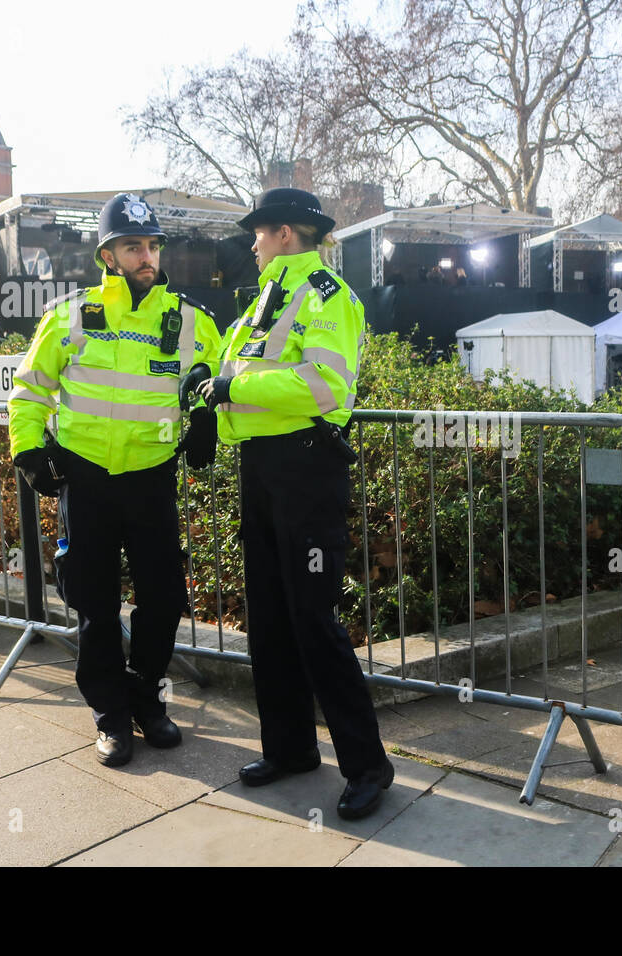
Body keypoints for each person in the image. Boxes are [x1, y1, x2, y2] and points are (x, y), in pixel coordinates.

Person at [186, 187, 394, 821]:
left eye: (258, 233)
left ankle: (368, 766)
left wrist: (229, 387)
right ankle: (290, 748)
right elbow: (241, 373)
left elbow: (324, 385)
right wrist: (209, 398)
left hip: (306, 469)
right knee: (270, 617)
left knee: (313, 620)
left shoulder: (327, 295)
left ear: (283, 234)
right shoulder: (265, 298)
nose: (251, 244)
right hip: (263, 469)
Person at [8, 193, 221, 768]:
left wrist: (208, 418)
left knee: (163, 598)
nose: (146, 256)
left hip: (152, 479)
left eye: (152, 246)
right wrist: (28, 449)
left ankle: (148, 700)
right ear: (108, 255)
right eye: (133, 247)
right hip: (87, 481)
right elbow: (30, 390)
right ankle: (109, 714)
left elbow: (212, 382)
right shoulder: (69, 316)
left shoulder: (193, 321)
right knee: (94, 604)